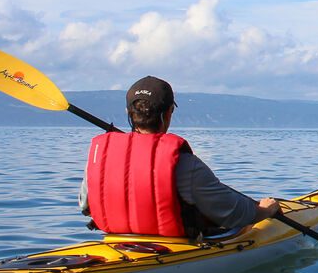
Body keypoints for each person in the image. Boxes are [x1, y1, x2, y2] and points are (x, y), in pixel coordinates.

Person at [79, 76, 284, 238]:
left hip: (115, 243)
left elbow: (85, 207)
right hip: (174, 247)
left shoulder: (100, 157)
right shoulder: (184, 164)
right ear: (168, 113)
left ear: (128, 112)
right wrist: (263, 211)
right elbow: (231, 213)